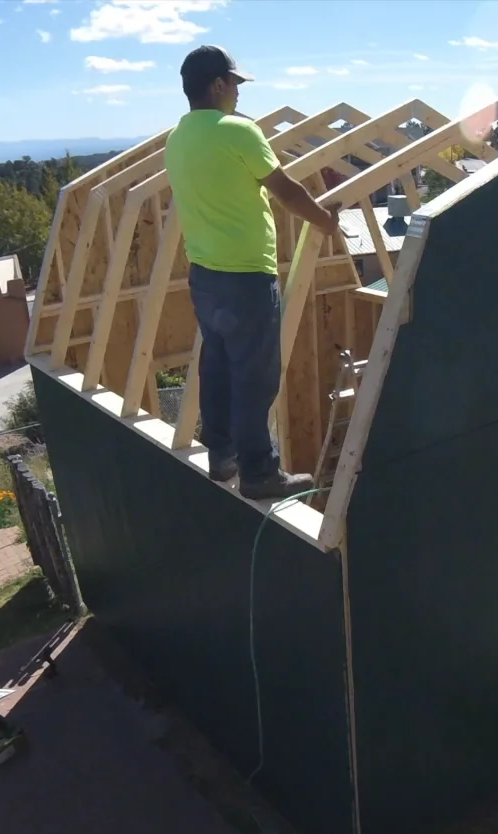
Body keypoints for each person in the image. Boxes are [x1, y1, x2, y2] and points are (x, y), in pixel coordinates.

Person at [164, 45, 343, 500]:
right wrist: (325, 221)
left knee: (218, 366)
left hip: (206, 276)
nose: (238, 92)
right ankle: (259, 472)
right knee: (255, 377)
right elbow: (286, 191)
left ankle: (221, 456)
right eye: (234, 83)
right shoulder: (238, 132)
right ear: (217, 84)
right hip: (246, 277)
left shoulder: (177, 138)